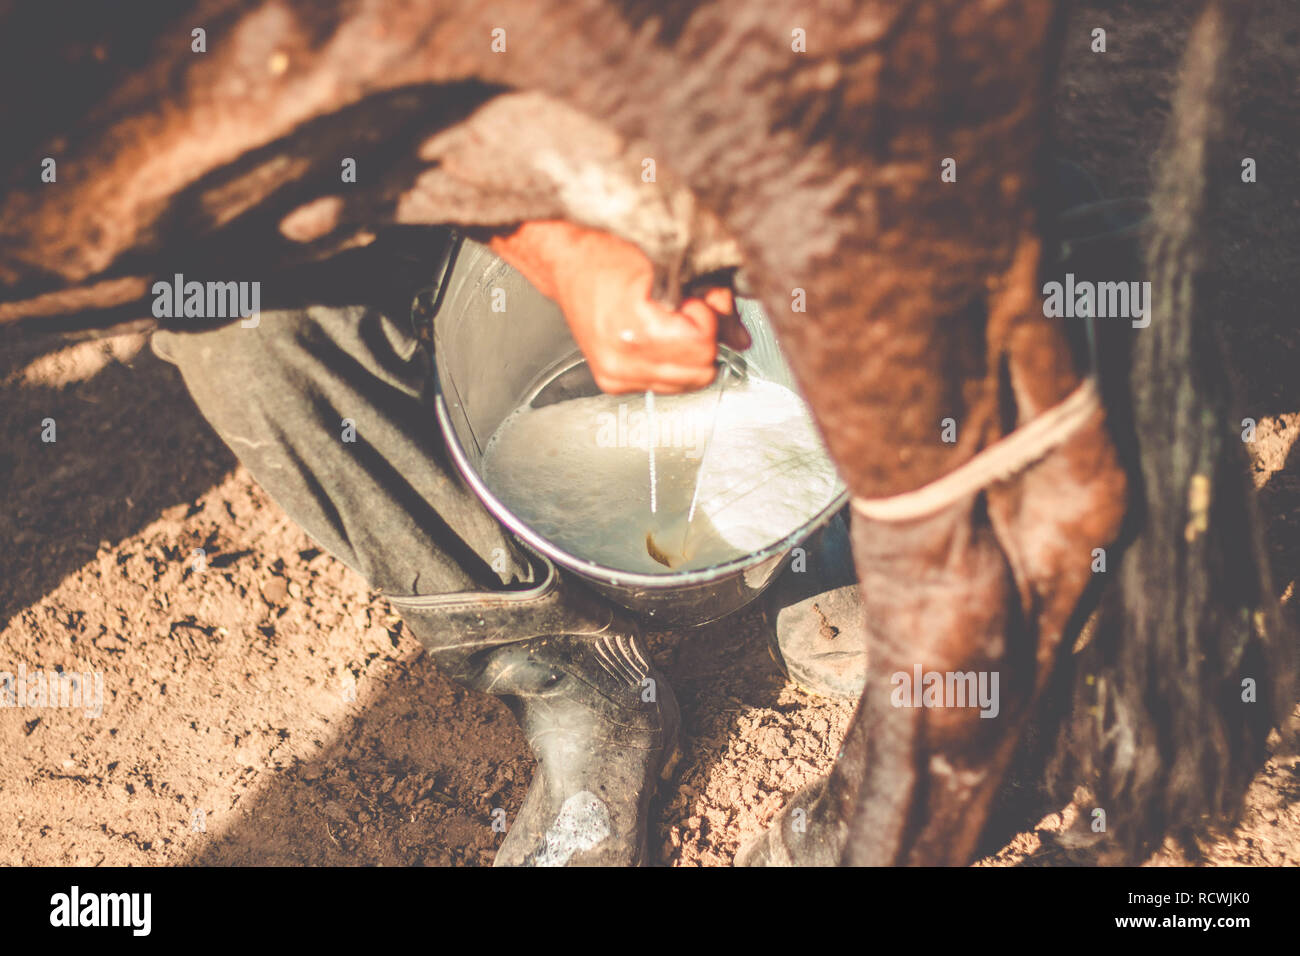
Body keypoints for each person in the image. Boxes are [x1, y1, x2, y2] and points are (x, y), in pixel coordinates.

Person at [151, 219, 865, 866]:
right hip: (449, 184)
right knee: (221, 315)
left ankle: (840, 507)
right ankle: (574, 680)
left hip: (742, 145)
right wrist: (554, 243)